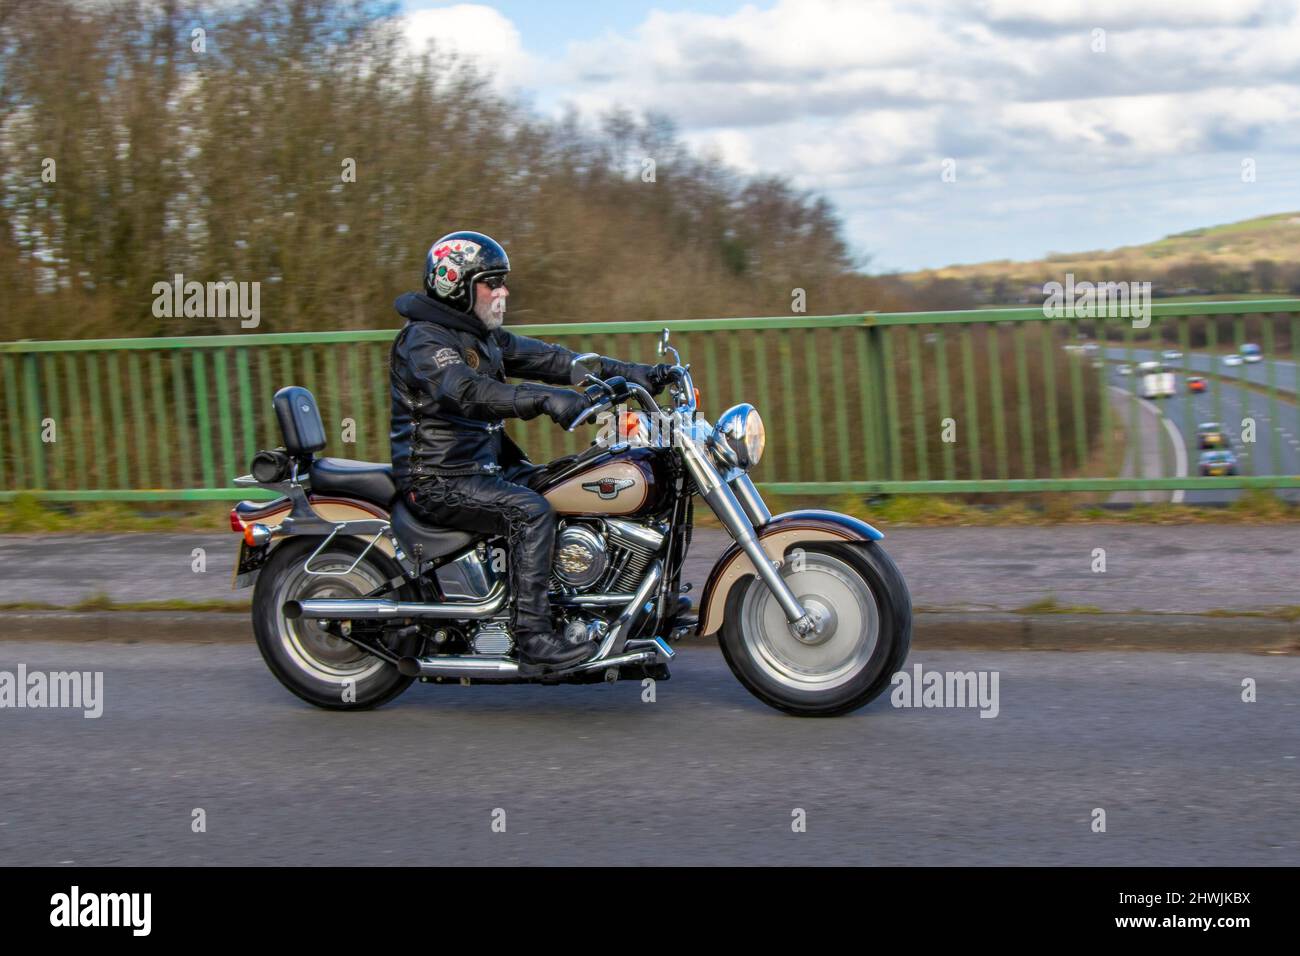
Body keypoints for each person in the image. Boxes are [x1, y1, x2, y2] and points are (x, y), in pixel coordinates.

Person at [389, 230, 674, 674]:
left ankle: (610, 603)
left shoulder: (482, 336)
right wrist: (543, 399)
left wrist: (638, 374)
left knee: (568, 483)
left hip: (485, 468)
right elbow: (465, 391)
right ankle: (533, 639)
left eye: (502, 282)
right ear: (456, 284)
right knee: (531, 512)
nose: (503, 292)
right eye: (492, 282)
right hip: (439, 479)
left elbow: (556, 360)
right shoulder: (424, 340)